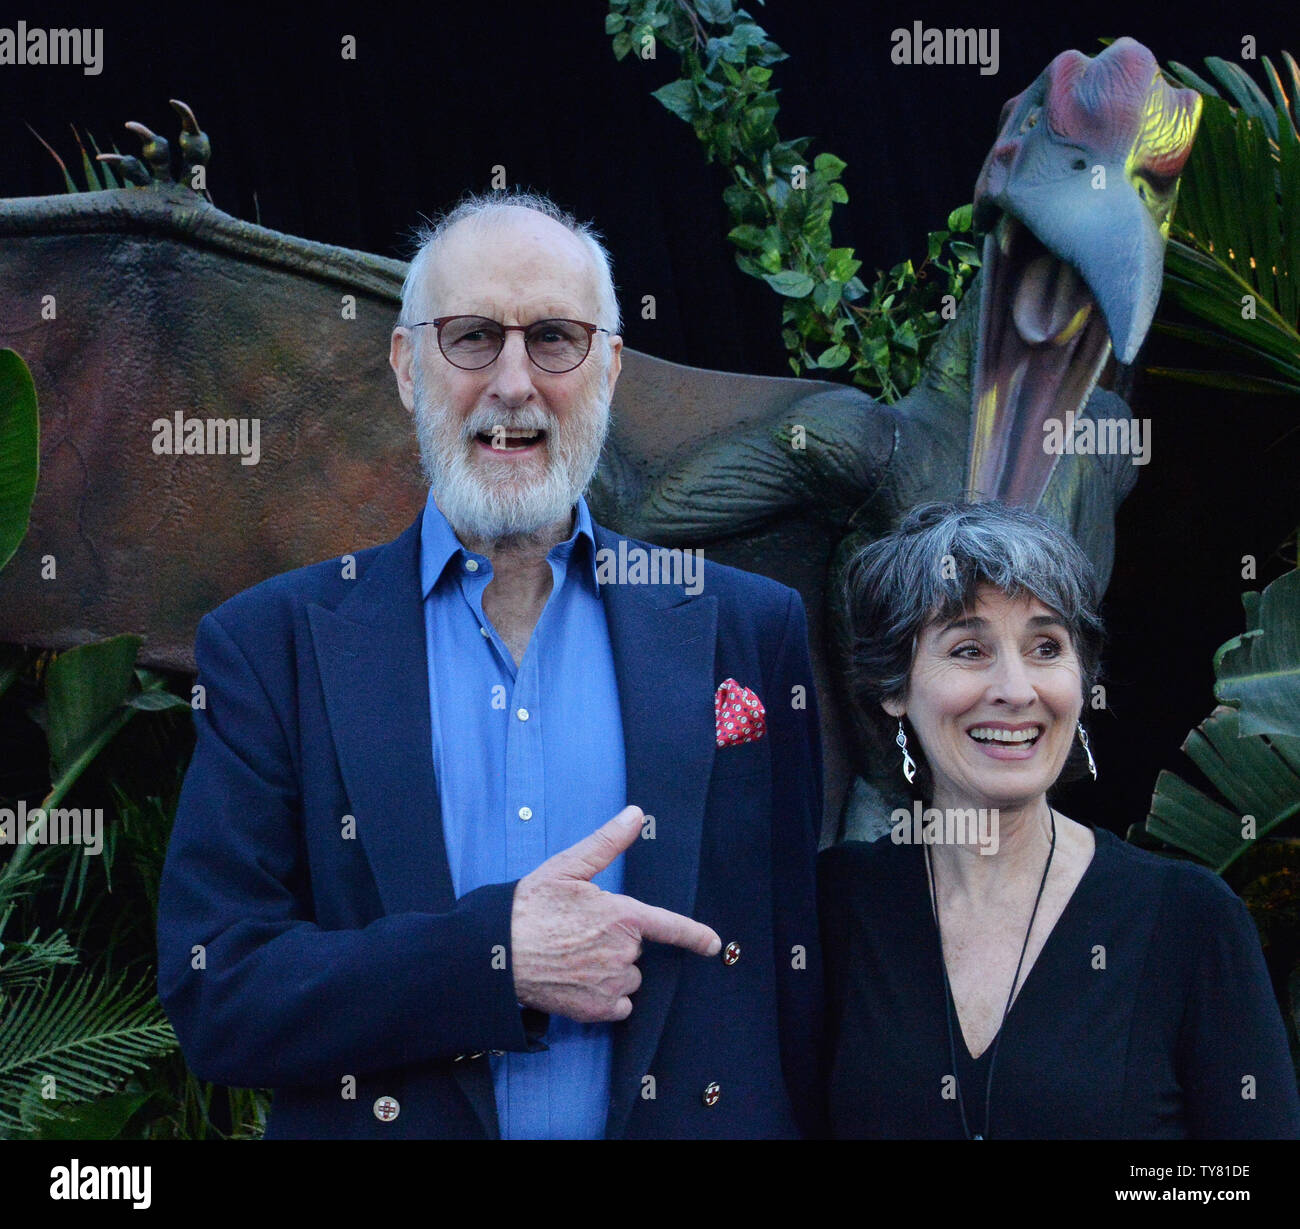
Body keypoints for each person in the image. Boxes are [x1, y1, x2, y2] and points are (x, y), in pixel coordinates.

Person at [156, 191, 824, 1139]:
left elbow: (794, 993)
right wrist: (495, 957)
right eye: (471, 337)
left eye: (555, 338)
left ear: (611, 368)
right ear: (405, 366)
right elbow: (216, 991)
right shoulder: (272, 646)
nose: (513, 381)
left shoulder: (750, 633)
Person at [820, 500, 1300, 1139]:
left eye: (1046, 646)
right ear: (894, 687)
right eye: (968, 649)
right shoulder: (836, 906)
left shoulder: (1188, 918)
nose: (1017, 690)